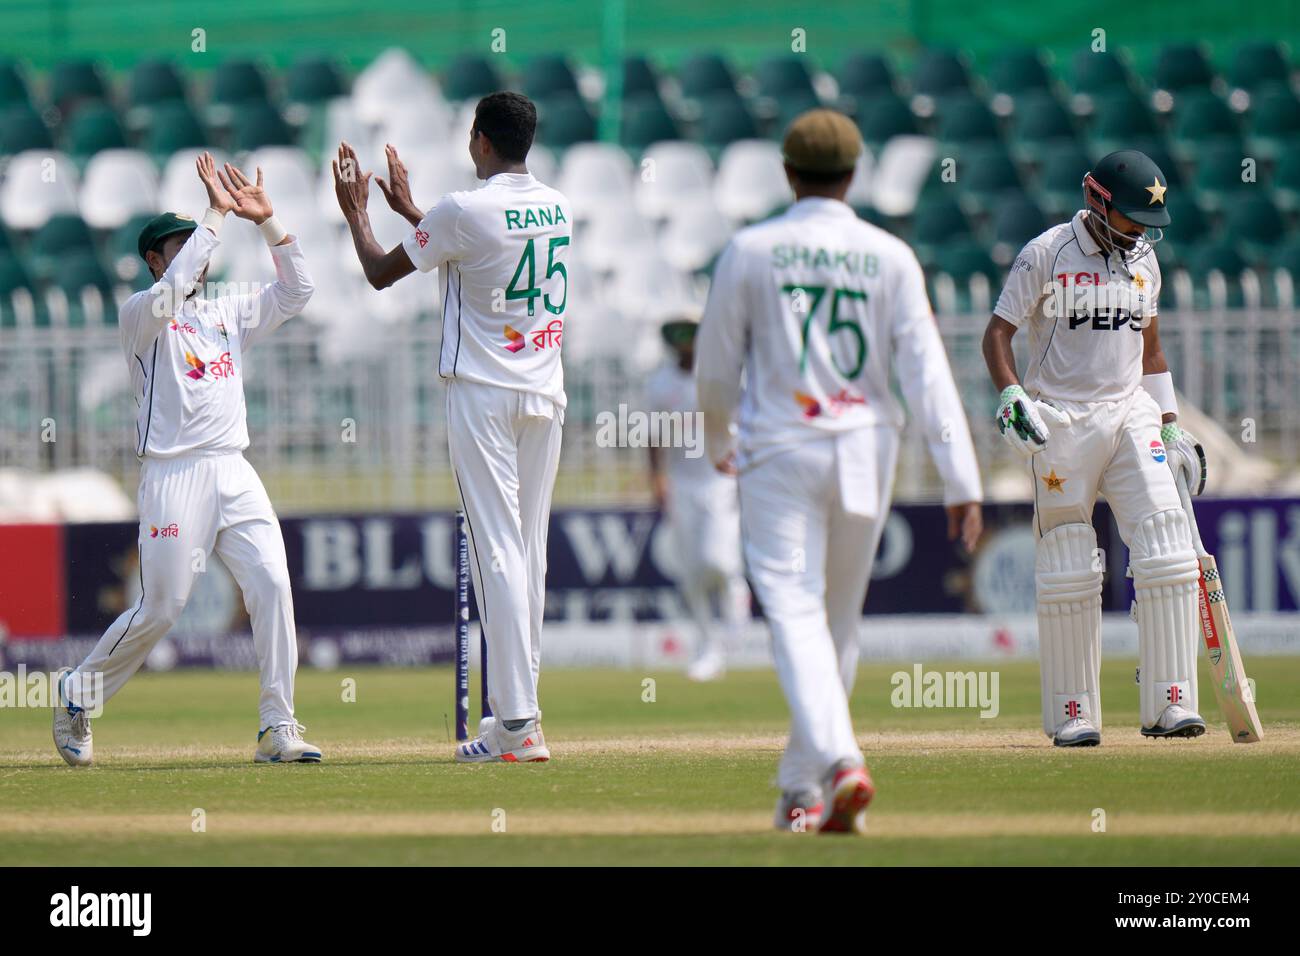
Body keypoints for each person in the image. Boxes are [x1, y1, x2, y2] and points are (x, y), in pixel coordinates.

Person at [696, 109, 983, 833]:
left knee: (792, 611)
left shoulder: (752, 249)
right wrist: (961, 479)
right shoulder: (889, 254)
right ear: (855, 176)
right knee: (836, 624)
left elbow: (715, 365)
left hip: (781, 450)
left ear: (788, 174)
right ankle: (803, 791)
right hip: (866, 447)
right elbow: (927, 375)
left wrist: (716, 436)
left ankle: (840, 761)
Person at [53, 153, 319, 766]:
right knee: (162, 607)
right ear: (154, 259)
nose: (195, 252)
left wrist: (269, 222)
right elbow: (176, 288)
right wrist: (216, 214)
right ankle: (77, 694)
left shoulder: (226, 312)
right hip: (174, 474)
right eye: (179, 245)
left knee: (274, 585)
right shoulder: (143, 315)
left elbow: (298, 290)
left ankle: (278, 728)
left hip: (233, 467)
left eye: (194, 242)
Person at [332, 91, 569, 763]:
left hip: (484, 395)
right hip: (543, 393)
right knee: (529, 552)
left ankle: (518, 723)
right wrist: (415, 212)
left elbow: (381, 273)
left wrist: (357, 214)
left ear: (482, 142)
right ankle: (516, 720)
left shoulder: (464, 209)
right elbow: (476, 245)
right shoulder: (557, 204)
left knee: (497, 549)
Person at [982, 149, 1207, 747]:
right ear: (1094, 198)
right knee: (1069, 558)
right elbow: (997, 333)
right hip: (1062, 415)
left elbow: (1151, 351)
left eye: (1148, 223)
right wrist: (1010, 394)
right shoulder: (1047, 253)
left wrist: (1170, 423)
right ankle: (1073, 711)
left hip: (1131, 409)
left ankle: (1172, 700)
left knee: (1166, 542)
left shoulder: (1145, 261)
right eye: (1132, 219)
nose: (1140, 233)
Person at [645, 313, 748, 682]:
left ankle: (736, 630)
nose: (685, 342)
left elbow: (744, 421)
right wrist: (657, 477)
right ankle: (708, 647)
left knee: (718, 561)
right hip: (681, 484)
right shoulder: (659, 383)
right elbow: (653, 435)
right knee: (691, 573)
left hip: (719, 480)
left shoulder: (721, 376)